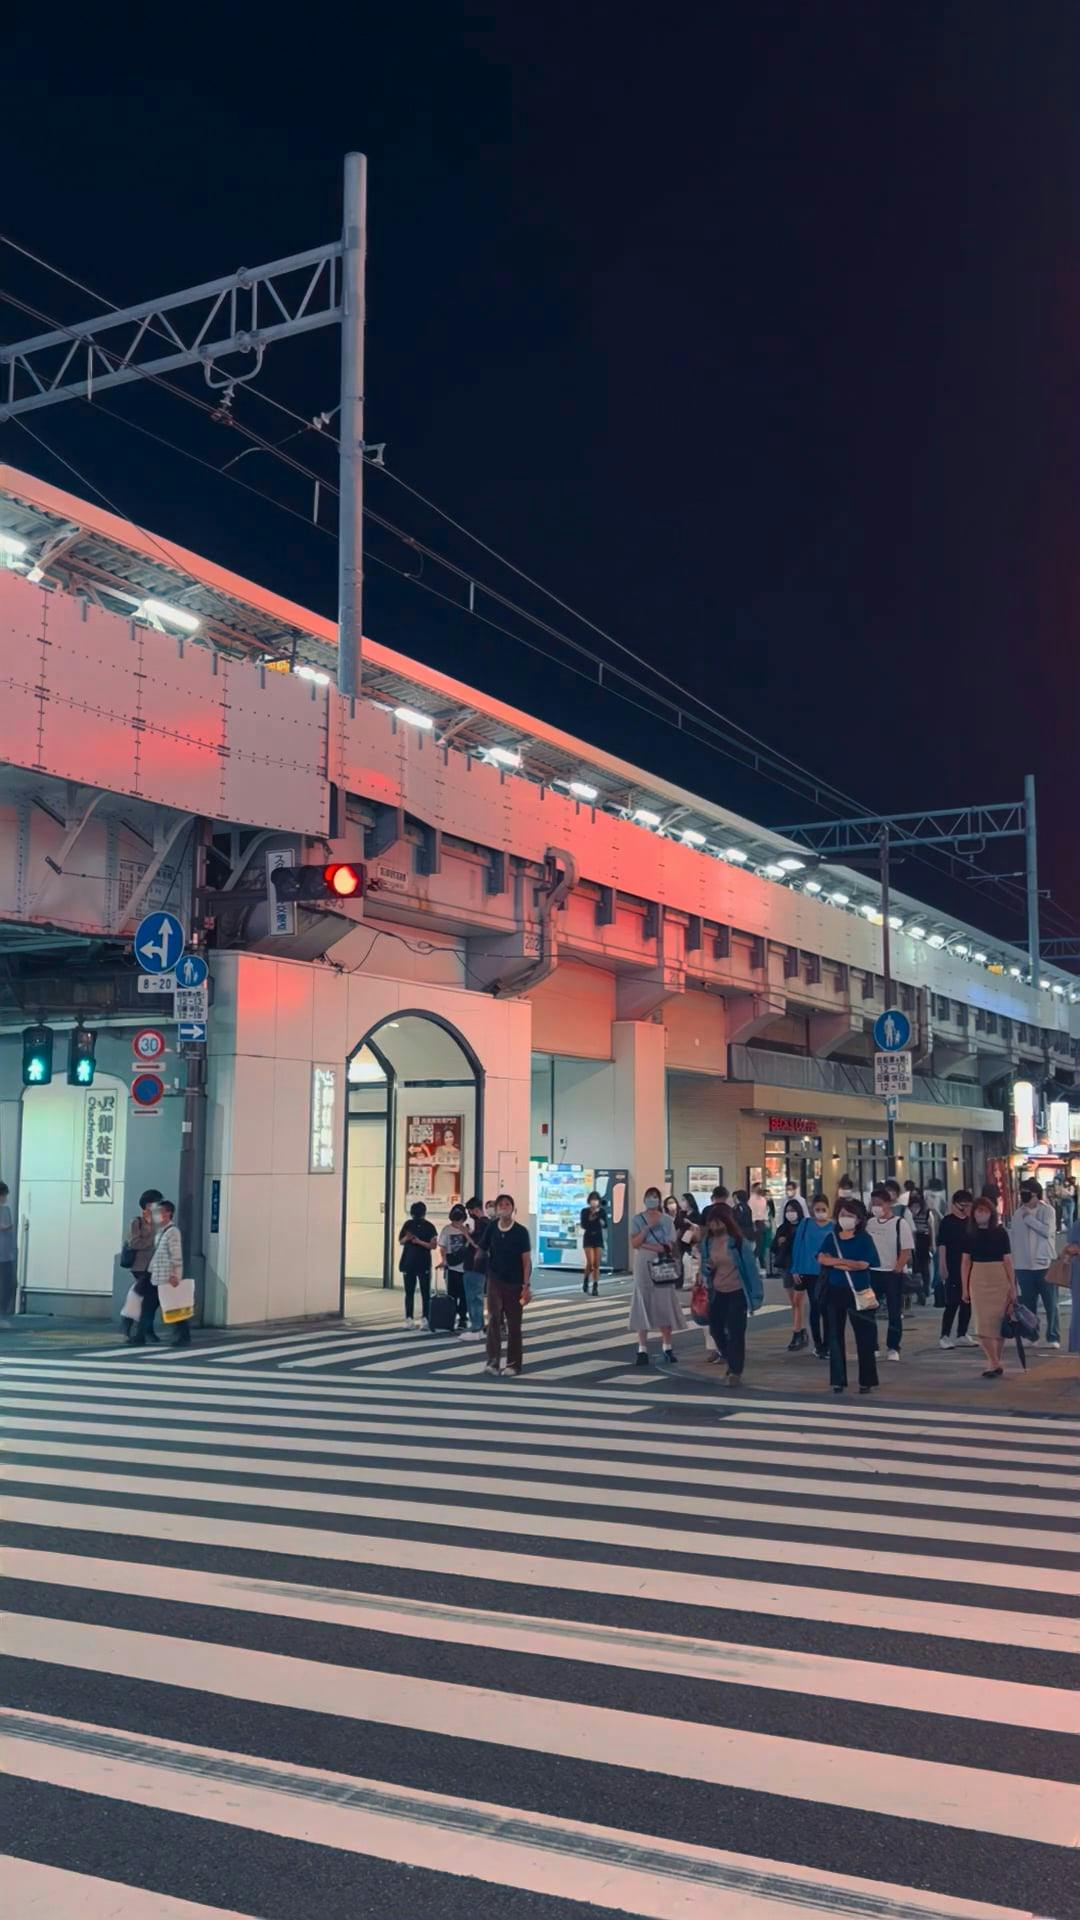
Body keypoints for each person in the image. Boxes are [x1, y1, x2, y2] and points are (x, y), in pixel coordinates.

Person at [817, 1199, 880, 1394]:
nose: (846, 1219)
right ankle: (838, 1380)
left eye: (851, 1216)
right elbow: (821, 1258)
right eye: (843, 1214)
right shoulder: (831, 1237)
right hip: (835, 1290)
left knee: (865, 1337)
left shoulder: (864, 1239)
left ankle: (866, 1380)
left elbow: (864, 1264)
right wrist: (846, 1263)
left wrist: (836, 1262)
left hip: (859, 1291)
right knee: (835, 1337)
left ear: (859, 1219)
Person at [698, 1199, 763, 1387]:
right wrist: (707, 1268)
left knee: (736, 1331)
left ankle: (735, 1370)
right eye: (711, 1222)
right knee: (716, 1328)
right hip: (718, 1291)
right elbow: (705, 1268)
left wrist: (756, 1295)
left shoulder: (737, 1241)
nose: (714, 1225)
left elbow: (750, 1269)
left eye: (718, 1221)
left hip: (737, 1291)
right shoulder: (708, 1242)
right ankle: (727, 1355)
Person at [961, 1197, 1017, 1378]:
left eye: (984, 1211)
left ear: (991, 1213)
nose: (981, 1214)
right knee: (982, 1324)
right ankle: (994, 1361)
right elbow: (965, 1262)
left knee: (998, 1322)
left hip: (999, 1277)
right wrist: (965, 1287)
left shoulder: (1001, 1233)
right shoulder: (969, 1234)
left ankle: (995, 1363)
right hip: (978, 1277)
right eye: (978, 1211)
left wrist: (1012, 1285)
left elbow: (1008, 1261)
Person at [629, 1184, 683, 1367]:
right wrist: (646, 1230)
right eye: (649, 1196)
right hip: (643, 1263)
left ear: (659, 1200)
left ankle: (667, 1346)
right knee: (642, 1301)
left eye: (654, 1196)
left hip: (661, 1262)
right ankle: (642, 1348)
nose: (651, 1199)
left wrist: (646, 1244)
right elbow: (634, 1242)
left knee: (663, 1302)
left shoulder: (667, 1220)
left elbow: (667, 1245)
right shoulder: (637, 1219)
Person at [864, 1185, 915, 1362]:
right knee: (869, 1310)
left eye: (879, 1203)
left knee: (894, 1311)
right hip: (872, 1272)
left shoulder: (900, 1223)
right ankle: (872, 1346)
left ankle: (893, 1346)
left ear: (888, 1203)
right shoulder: (869, 1223)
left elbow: (906, 1249)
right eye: (873, 1204)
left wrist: (898, 1267)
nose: (876, 1207)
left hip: (892, 1273)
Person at [484, 1193, 532, 1376]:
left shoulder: (520, 1232)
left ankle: (513, 1363)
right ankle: (493, 1361)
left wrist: (526, 1285)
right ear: (496, 1209)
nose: (504, 1207)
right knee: (494, 1320)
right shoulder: (492, 1228)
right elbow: (483, 1249)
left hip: (515, 1283)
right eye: (501, 1204)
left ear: (513, 1209)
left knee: (514, 1324)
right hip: (495, 1280)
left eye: (507, 1204)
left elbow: (526, 1260)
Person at [1010, 1179, 1061, 1348]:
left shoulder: (1048, 1211)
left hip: (1044, 1264)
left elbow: (1047, 1232)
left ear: (1035, 1194)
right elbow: (1014, 1239)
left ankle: (1053, 1337)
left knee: (1051, 1303)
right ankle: (1031, 1335)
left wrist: (1029, 1219)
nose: (1022, 1194)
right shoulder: (1018, 1213)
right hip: (1023, 1265)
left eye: (1026, 1191)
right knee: (1027, 1304)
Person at [790, 1194, 835, 1356]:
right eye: (817, 1209)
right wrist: (795, 1268)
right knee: (815, 1307)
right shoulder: (806, 1224)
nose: (821, 1212)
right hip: (808, 1272)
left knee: (827, 1309)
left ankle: (828, 1344)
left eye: (823, 1209)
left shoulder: (834, 1226)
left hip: (827, 1272)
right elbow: (797, 1246)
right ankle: (818, 1344)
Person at [139, 1199, 186, 1347]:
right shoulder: (161, 1232)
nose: (156, 1215)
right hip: (156, 1276)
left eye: (159, 1212)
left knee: (173, 1307)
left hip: (167, 1277)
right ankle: (141, 1334)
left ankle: (183, 1335)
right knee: (148, 1307)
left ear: (167, 1213)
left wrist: (176, 1275)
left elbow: (176, 1255)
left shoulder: (173, 1232)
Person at [936, 1190, 976, 1348]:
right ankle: (944, 1335)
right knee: (952, 1302)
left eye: (968, 1206)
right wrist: (942, 1265)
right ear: (954, 1205)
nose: (965, 1209)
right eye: (962, 1206)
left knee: (967, 1301)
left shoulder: (971, 1222)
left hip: (970, 1267)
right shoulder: (947, 1222)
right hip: (952, 1266)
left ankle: (962, 1333)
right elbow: (942, 1245)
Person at [122, 1187, 162, 1343]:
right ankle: (133, 1327)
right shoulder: (137, 1221)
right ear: (147, 1205)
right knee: (144, 1299)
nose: (159, 1206)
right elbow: (134, 1242)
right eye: (156, 1203)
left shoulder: (158, 1221)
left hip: (155, 1266)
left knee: (148, 1300)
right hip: (140, 1267)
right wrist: (153, 1240)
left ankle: (141, 1329)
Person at [398, 1199, 437, 1331]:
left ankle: (425, 1318)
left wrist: (419, 1242)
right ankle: (409, 1318)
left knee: (425, 1292)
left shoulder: (429, 1226)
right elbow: (401, 1241)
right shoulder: (408, 1225)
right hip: (409, 1263)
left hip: (423, 1263)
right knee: (409, 1291)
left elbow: (433, 1245)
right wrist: (407, 1238)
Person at [438, 1204, 471, 1332]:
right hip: (452, 1267)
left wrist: (466, 1233)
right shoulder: (447, 1230)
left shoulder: (467, 1230)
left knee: (463, 1295)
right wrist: (443, 1260)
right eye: (455, 1219)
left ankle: (463, 1318)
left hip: (465, 1267)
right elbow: (442, 1247)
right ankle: (451, 1317)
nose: (457, 1222)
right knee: (452, 1294)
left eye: (459, 1219)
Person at [461, 1195, 490, 1339]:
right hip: (480, 1266)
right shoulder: (487, 1224)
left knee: (473, 1297)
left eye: (469, 1211)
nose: (469, 1215)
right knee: (475, 1296)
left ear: (475, 1210)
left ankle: (476, 1326)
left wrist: (466, 1234)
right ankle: (478, 1326)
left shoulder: (481, 1224)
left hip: (474, 1265)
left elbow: (478, 1245)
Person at [905, 1186, 934, 1305]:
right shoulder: (908, 1214)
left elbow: (931, 1228)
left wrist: (932, 1244)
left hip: (924, 1240)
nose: (915, 1209)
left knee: (924, 1267)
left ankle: (924, 1289)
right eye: (913, 1206)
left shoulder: (927, 1213)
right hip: (913, 1242)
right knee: (916, 1268)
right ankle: (919, 1291)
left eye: (917, 1206)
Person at [580, 1190, 607, 1297]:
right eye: (592, 1200)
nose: (594, 1202)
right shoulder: (585, 1211)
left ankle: (595, 1285)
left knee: (596, 1264)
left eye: (596, 1200)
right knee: (590, 1263)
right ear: (589, 1201)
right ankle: (586, 1279)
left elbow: (605, 1225)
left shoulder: (602, 1212)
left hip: (598, 1237)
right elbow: (583, 1225)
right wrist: (590, 1217)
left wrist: (600, 1218)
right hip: (588, 1237)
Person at [0, 1181, 16, 1319]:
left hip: (6, 1254)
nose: (5, 1198)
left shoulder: (6, 1210)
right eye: (3, 1195)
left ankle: (2, 1314)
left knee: (9, 1285)